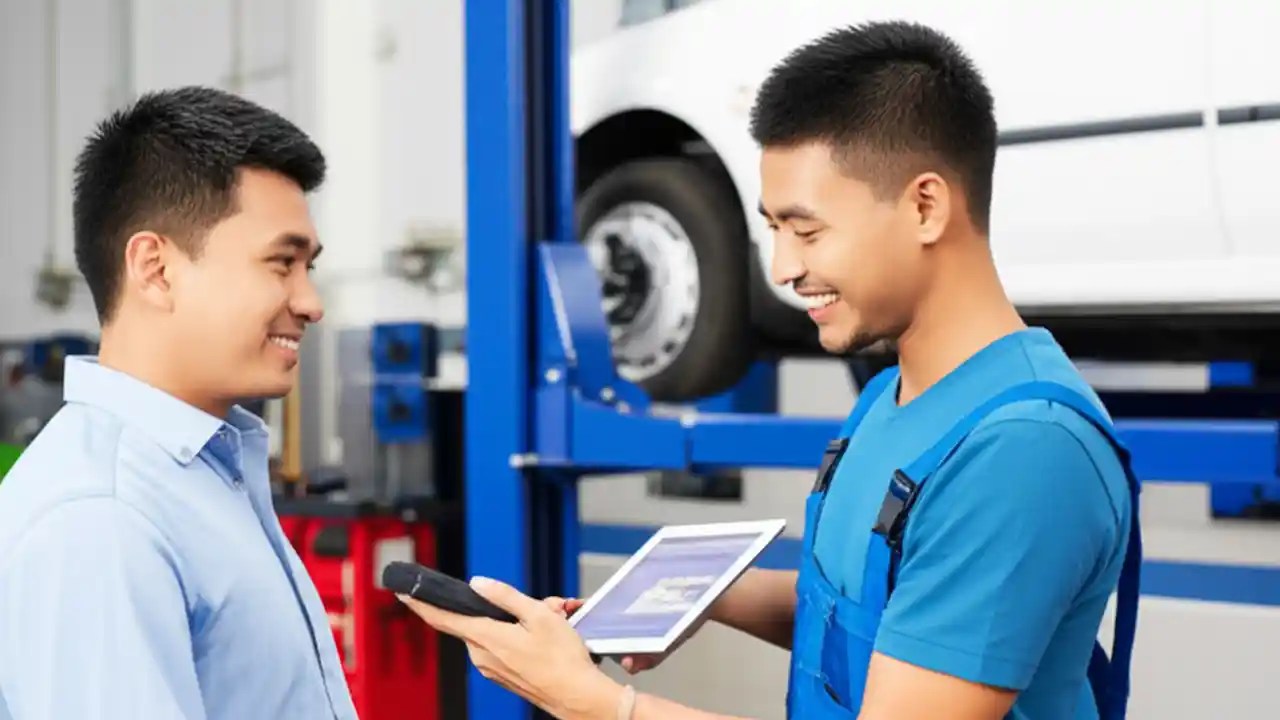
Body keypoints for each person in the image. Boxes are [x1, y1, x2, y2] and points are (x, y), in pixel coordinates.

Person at [400, 19, 1141, 720]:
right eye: (772, 228)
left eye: (806, 230)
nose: (783, 268)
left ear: (924, 207)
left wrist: (596, 703)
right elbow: (874, 613)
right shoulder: (894, 396)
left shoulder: (1023, 453)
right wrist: (690, 598)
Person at [0, 86, 358, 719]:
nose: (311, 302)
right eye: (282, 263)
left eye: (309, 267)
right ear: (155, 269)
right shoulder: (101, 518)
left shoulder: (202, 473)